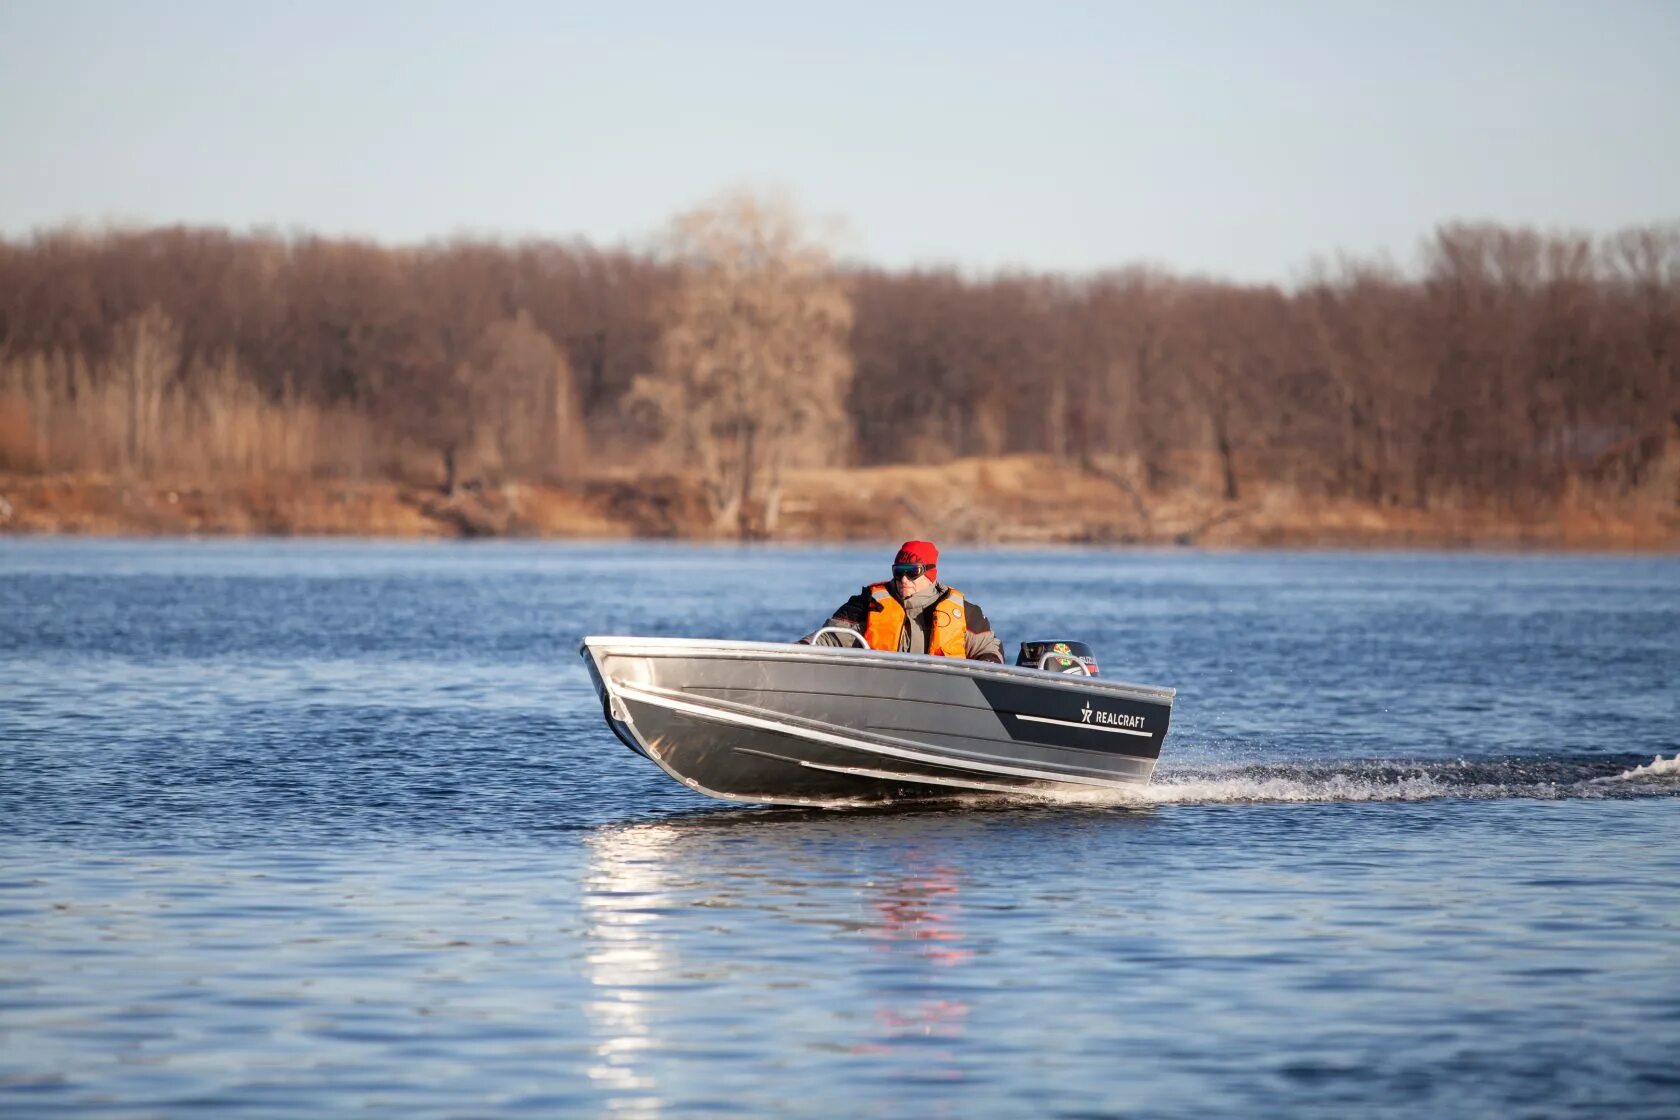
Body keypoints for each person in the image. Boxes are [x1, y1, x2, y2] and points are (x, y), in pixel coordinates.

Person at [802, 540, 1004, 662]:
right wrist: (801, 647)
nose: (904, 580)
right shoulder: (866, 604)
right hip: (877, 691)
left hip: (945, 696)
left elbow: (989, 652)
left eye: (912, 572)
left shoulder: (966, 612)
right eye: (898, 573)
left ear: (931, 574)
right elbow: (828, 640)